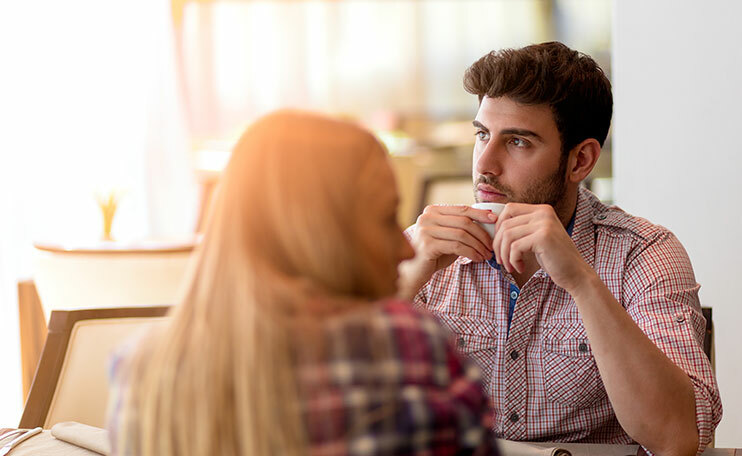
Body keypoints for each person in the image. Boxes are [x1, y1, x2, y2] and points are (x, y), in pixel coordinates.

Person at [107, 111, 498, 456]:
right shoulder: (409, 344)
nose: (405, 248)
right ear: (318, 236)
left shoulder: (139, 368)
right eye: (385, 218)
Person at [398, 42, 722, 455]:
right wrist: (404, 283)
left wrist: (582, 281)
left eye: (517, 142)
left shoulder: (643, 253)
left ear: (580, 161)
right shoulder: (424, 249)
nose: (484, 164)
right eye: (483, 135)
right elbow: (325, 406)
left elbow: (677, 438)